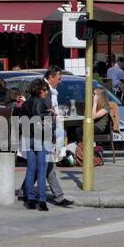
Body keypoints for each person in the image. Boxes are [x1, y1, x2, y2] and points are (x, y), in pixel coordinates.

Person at [16, 80, 52, 210]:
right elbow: (40, 119)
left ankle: (30, 198)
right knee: (41, 170)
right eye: (44, 90)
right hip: (39, 138)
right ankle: (42, 200)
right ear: (39, 90)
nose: (46, 92)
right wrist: (50, 114)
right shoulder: (41, 103)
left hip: (27, 138)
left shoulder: (26, 103)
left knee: (31, 169)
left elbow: (20, 119)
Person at [40, 66, 74, 205]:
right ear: (51, 77)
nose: (60, 81)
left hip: (45, 132)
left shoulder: (51, 91)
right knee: (47, 165)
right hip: (43, 133)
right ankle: (59, 197)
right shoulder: (45, 92)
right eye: (59, 78)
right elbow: (44, 112)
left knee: (42, 166)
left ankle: (25, 192)